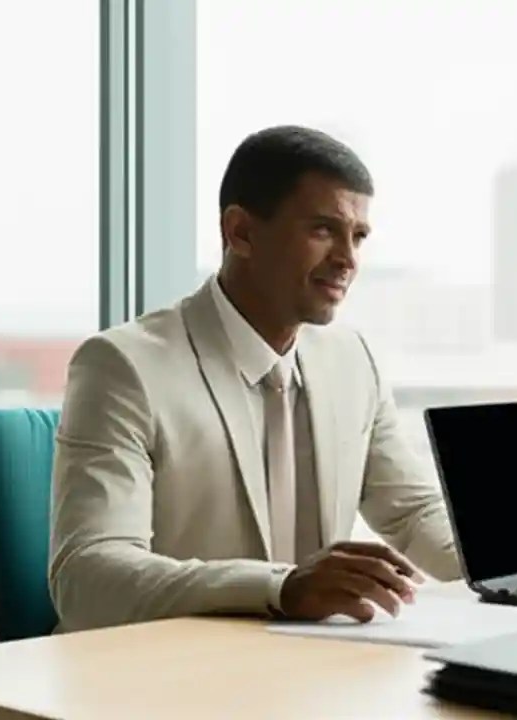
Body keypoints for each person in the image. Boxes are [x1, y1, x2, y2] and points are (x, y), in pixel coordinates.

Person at [49, 125, 462, 633]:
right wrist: (279, 588)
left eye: (357, 236)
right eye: (322, 230)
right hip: (166, 680)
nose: (348, 259)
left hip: (310, 678)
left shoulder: (352, 360)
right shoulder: (123, 367)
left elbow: (414, 514)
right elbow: (87, 579)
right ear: (240, 232)